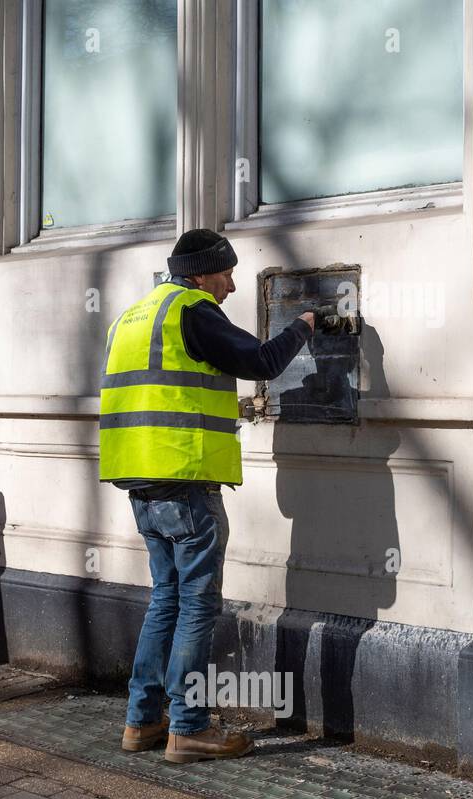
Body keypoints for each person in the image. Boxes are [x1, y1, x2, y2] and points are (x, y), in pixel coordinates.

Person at [99, 228, 315, 762]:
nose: (233, 284)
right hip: (187, 481)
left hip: (141, 481)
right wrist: (303, 327)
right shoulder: (192, 309)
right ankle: (189, 727)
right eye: (226, 273)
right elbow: (263, 362)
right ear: (199, 272)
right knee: (197, 604)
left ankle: (141, 722)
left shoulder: (132, 316)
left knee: (165, 600)